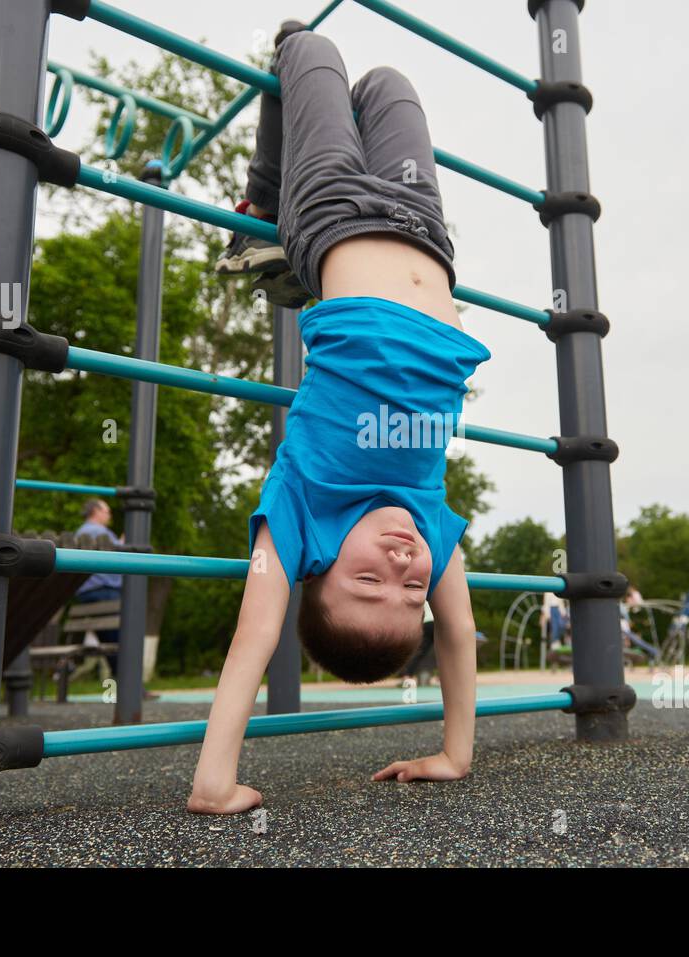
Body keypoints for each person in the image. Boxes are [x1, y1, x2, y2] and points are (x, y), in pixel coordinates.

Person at [188, 25, 489, 815]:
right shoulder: (428, 518)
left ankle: (261, 207)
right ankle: (262, 214)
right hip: (424, 225)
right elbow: (458, 635)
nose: (402, 564)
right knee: (389, 83)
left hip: (332, 215)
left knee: (310, 50)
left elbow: (254, 638)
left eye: (369, 580)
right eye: (411, 587)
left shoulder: (298, 519)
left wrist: (214, 778)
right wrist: (455, 753)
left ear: (314, 572)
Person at [73, 498, 124, 676]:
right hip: (106, 591)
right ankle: (129, 684)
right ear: (96, 511)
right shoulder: (100, 532)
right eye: (107, 511)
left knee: (109, 642)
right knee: (120, 639)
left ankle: (121, 679)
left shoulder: (79, 533)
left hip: (86, 594)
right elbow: (120, 556)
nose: (109, 515)